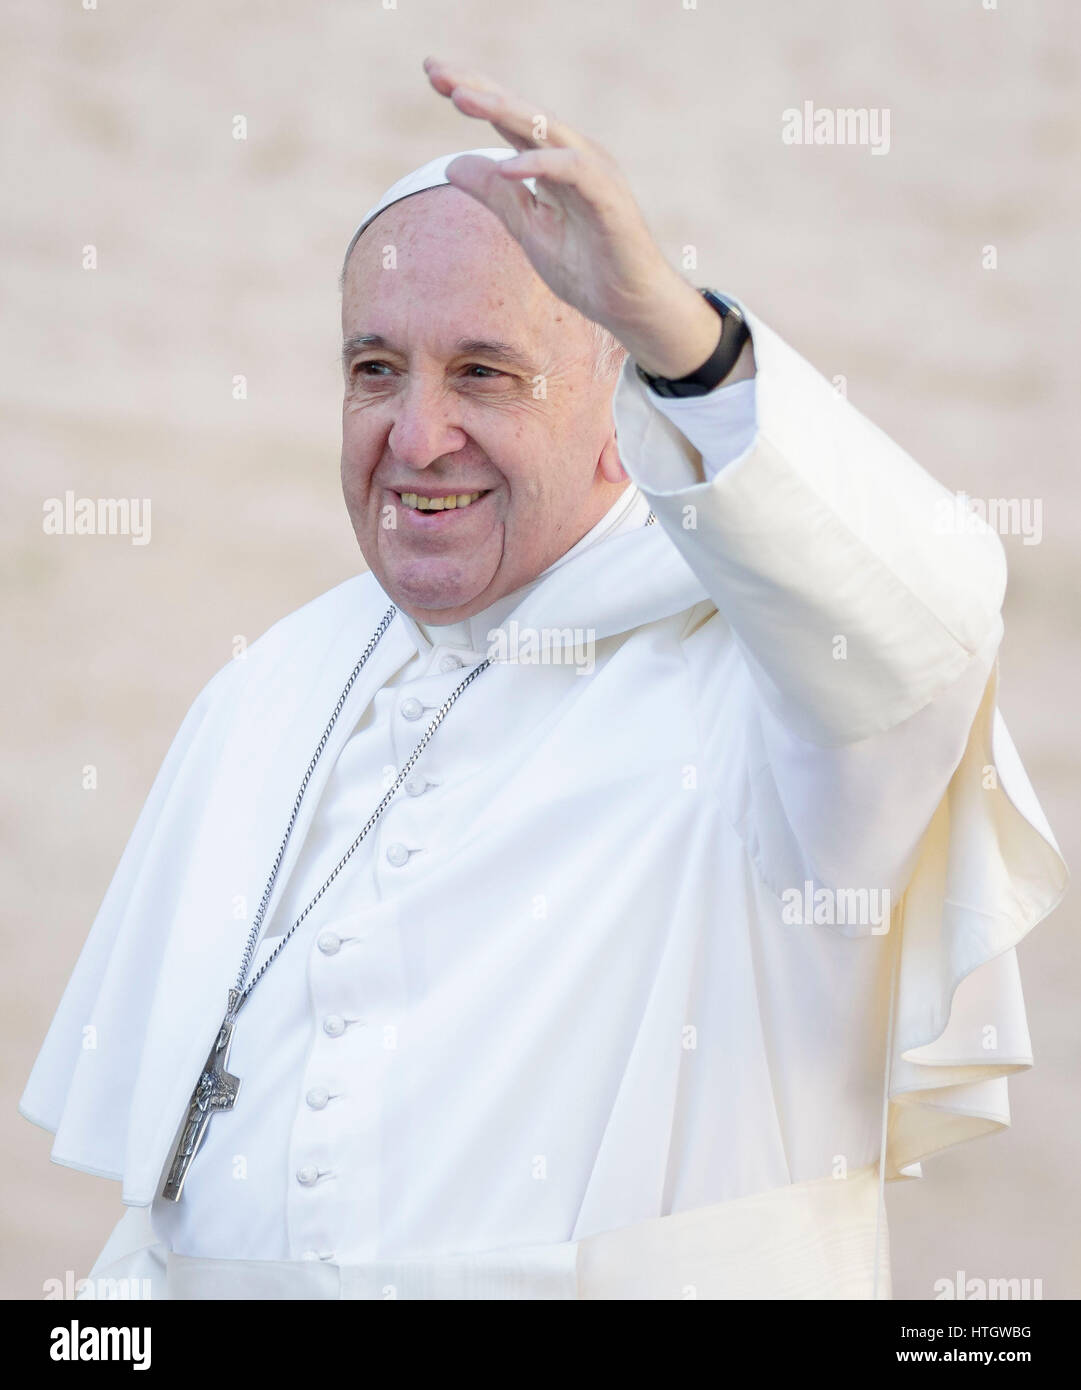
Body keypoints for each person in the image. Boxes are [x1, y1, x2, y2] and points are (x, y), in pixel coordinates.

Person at [20, 57, 1066, 1300]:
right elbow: (177, 1227)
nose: (415, 439)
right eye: (373, 369)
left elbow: (934, 617)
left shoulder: (771, 700)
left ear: (624, 417)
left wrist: (679, 332)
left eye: (483, 373)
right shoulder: (265, 695)